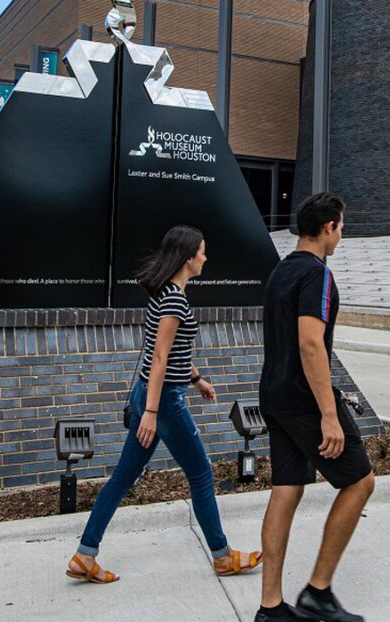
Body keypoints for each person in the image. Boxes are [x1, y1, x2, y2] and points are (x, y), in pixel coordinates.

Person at [65, 225, 262, 584]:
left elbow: (171, 353)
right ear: (188, 257)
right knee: (201, 474)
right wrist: (153, 413)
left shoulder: (164, 294)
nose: (206, 257)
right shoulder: (174, 299)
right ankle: (222, 557)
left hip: (152, 393)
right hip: (164, 401)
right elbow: (159, 357)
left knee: (123, 477)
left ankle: (84, 555)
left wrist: (197, 378)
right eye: (202, 251)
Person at [255, 193, 374, 622]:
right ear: (328, 227)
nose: (342, 235)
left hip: (275, 395)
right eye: (341, 227)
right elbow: (310, 343)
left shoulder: (281, 271)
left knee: (286, 489)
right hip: (305, 400)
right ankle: (317, 593)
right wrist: (329, 413)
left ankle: (271, 608)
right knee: (360, 482)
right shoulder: (317, 275)